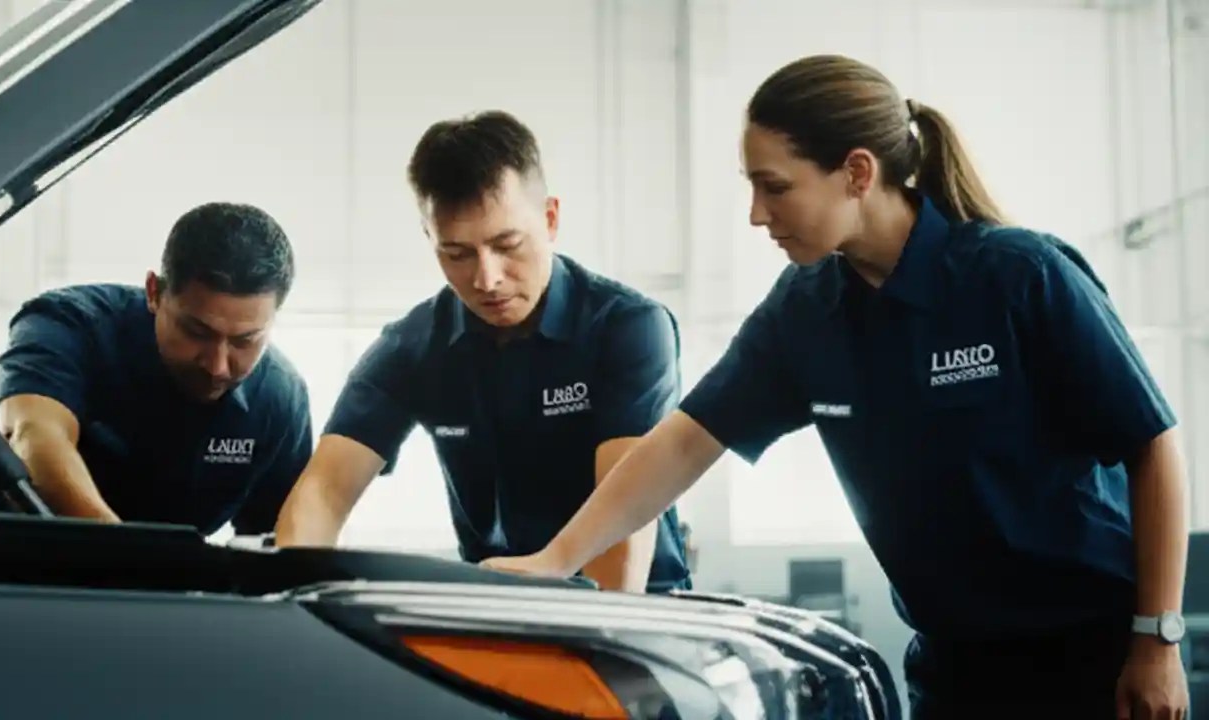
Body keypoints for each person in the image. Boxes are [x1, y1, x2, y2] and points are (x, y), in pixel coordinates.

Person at [479, 55, 1191, 718]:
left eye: (775, 186)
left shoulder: (1018, 276)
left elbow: (1152, 446)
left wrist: (1157, 638)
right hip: (954, 672)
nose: (757, 213)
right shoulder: (806, 310)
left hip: (1095, 656)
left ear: (856, 172)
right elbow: (685, 443)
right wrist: (558, 560)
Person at [274, 110, 692, 594]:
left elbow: (625, 522)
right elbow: (323, 491)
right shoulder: (411, 347)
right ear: (430, 240)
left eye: (507, 245)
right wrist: (292, 593)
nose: (487, 279)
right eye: (457, 255)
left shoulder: (628, 328)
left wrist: (594, 631)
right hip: (494, 603)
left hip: (634, 604)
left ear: (550, 219)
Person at [0, 202, 313, 538]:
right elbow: (33, 436)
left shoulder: (280, 397)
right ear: (154, 292)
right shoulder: (70, 325)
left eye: (245, 340)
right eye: (197, 332)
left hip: (145, 589)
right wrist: (127, 557)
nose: (217, 366)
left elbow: (277, 544)